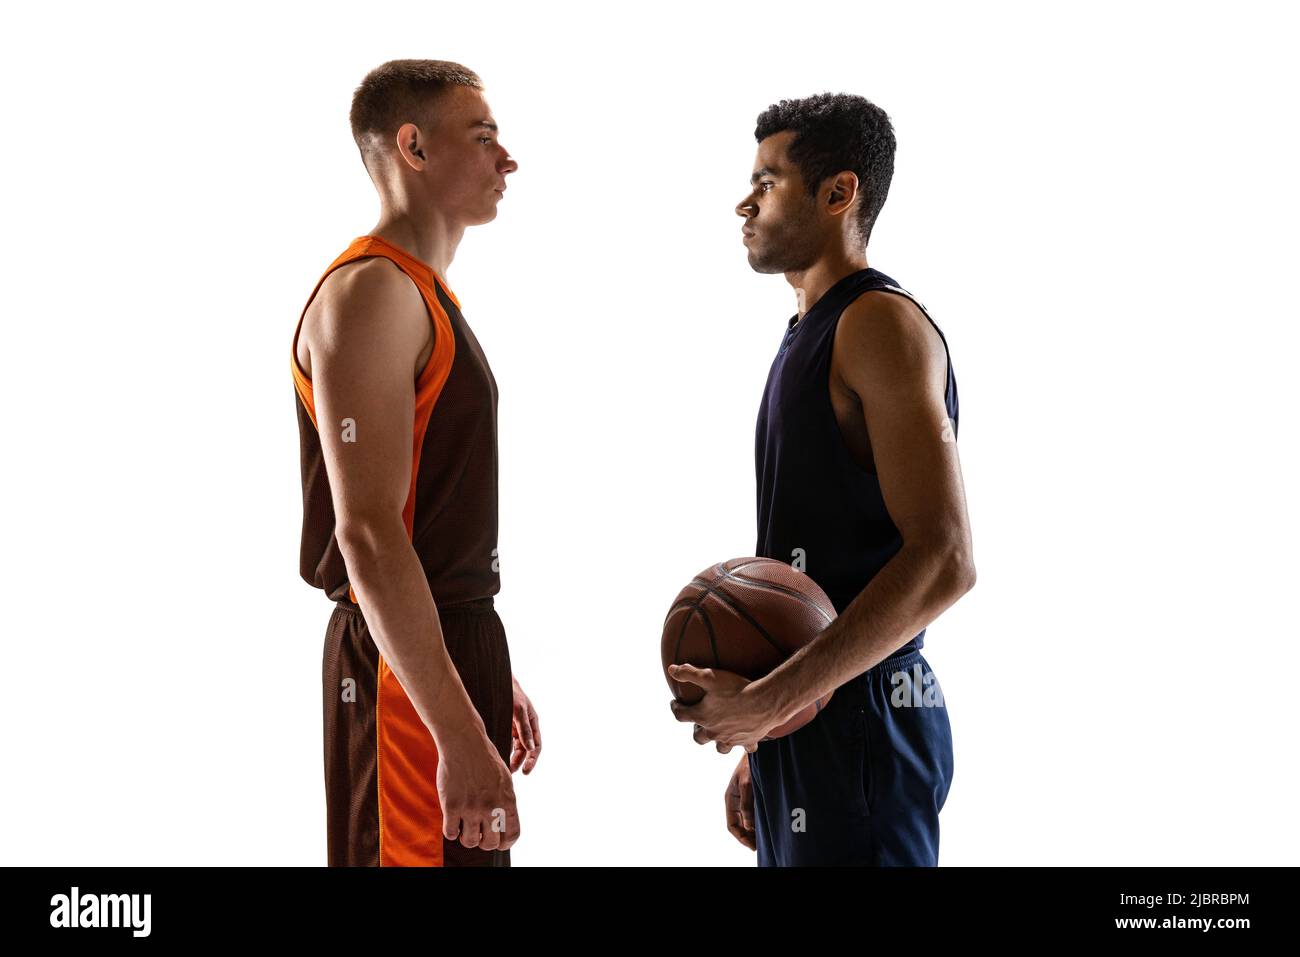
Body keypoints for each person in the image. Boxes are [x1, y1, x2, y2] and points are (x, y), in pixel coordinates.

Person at [670, 93, 975, 866]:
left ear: (839, 193)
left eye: (767, 182)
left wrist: (772, 701)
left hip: (867, 715)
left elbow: (945, 560)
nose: (744, 201)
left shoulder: (877, 323)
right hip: (813, 720)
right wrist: (765, 739)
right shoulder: (810, 326)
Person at [290, 59, 540, 867]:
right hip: (397, 691)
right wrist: (453, 727)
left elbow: (428, 525)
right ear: (413, 147)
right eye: (484, 136)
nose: (507, 158)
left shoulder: (424, 297)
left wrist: (475, 675)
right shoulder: (372, 292)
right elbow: (366, 535)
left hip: (443, 651)